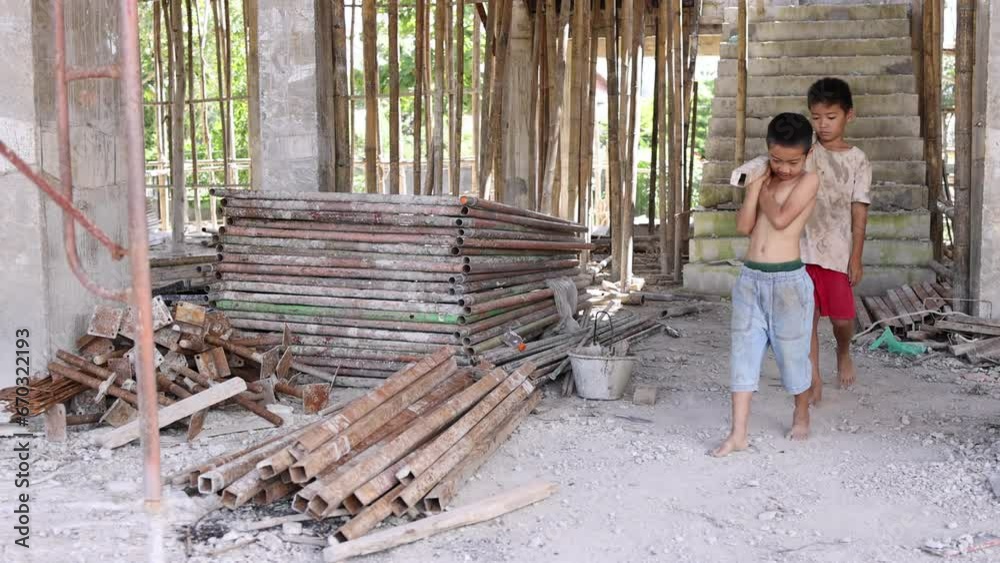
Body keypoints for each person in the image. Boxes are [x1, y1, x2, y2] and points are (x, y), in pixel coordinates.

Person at [713, 113, 819, 457]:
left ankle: (801, 412)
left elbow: (781, 217)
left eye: (793, 161)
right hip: (750, 280)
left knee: (793, 358)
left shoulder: (809, 181)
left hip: (788, 282)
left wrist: (762, 183)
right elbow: (745, 227)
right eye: (776, 160)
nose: (785, 168)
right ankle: (738, 433)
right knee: (742, 355)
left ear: (808, 154)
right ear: (767, 152)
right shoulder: (764, 182)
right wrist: (756, 184)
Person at [803, 78, 872, 403]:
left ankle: (843, 351)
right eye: (816, 118)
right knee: (807, 319)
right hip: (801, 249)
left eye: (831, 117)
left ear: (849, 115)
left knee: (843, 320)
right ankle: (813, 378)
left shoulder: (857, 159)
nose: (823, 124)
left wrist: (855, 257)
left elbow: (859, 212)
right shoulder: (805, 152)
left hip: (837, 250)